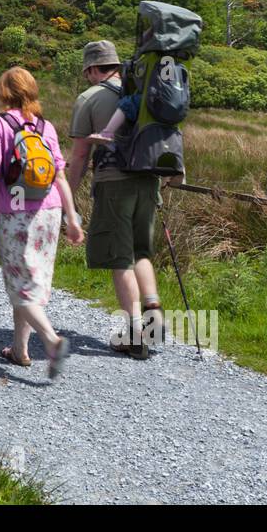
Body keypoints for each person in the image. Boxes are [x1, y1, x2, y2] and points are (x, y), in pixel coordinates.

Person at [0, 67, 83, 379]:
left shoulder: (0, 123)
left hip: (16, 213)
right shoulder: (45, 126)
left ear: (3, 92)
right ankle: (20, 350)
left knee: (20, 286)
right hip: (48, 212)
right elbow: (60, 174)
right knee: (31, 282)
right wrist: (72, 218)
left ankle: (51, 341)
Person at [65, 40, 166, 359]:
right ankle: (153, 310)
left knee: (119, 257)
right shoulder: (147, 94)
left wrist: (69, 196)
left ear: (93, 69)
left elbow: (80, 155)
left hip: (114, 182)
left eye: (87, 72)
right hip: (148, 181)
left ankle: (135, 334)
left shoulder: (89, 98)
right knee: (141, 250)